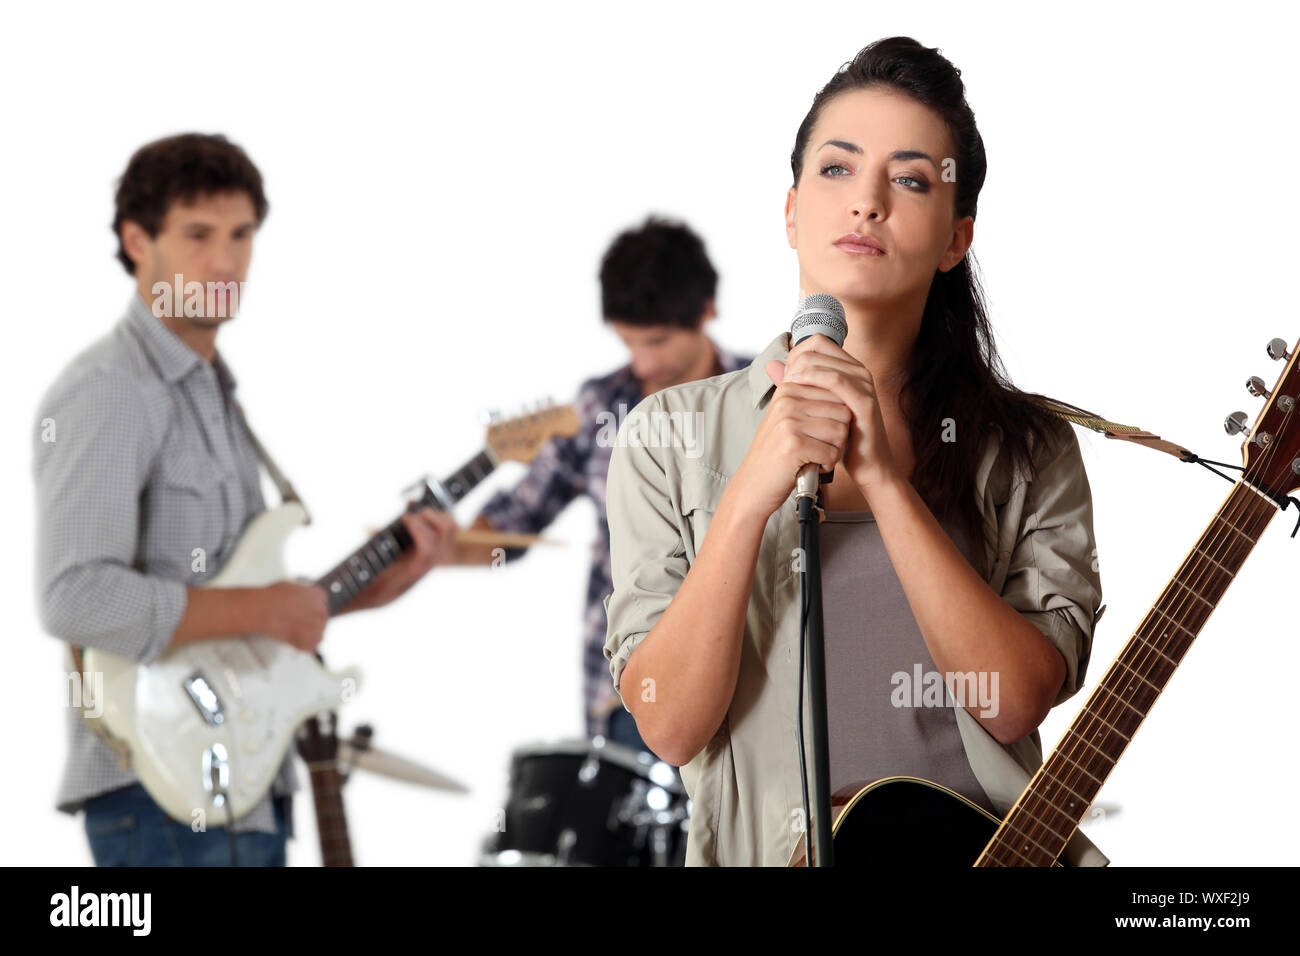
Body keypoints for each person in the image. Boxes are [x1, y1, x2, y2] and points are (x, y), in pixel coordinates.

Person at [603, 37, 1109, 866]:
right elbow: (668, 722)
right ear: (793, 211)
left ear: (956, 238)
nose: (866, 202)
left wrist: (882, 480)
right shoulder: (667, 435)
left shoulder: (1027, 448)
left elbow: (1015, 703)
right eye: (837, 170)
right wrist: (752, 492)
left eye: (911, 180)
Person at [33, 133, 458, 866]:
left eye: (242, 235)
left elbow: (245, 609)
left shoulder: (217, 396)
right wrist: (266, 609)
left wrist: (384, 580)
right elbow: (74, 596)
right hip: (155, 795)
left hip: (247, 788)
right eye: (198, 235)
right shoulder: (110, 390)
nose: (226, 263)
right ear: (138, 241)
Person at [441, 216, 750, 752]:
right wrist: (447, 545)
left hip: (755, 674)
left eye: (656, 341)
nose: (644, 362)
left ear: (706, 312)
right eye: (629, 342)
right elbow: (517, 520)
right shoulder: (597, 404)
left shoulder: (764, 394)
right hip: (635, 696)